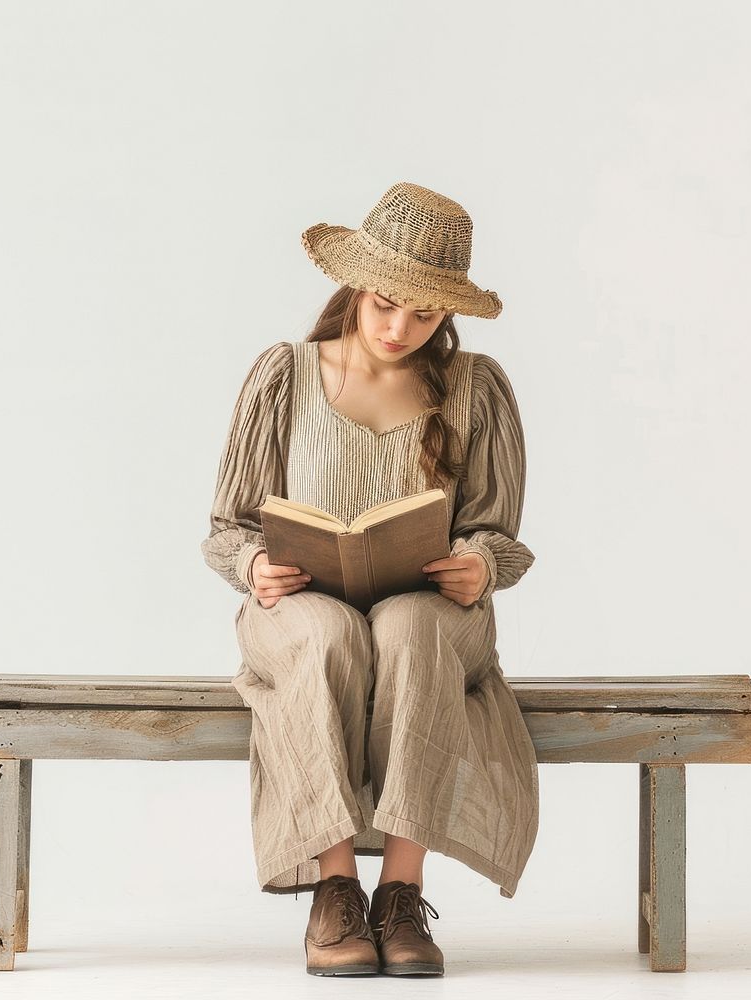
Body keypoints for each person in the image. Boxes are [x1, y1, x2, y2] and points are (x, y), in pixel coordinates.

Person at [201, 181, 540, 977]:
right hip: (298, 605)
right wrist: (254, 564)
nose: (399, 328)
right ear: (354, 285)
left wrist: (478, 567)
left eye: (425, 314)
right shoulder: (284, 376)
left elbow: (497, 530)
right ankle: (335, 890)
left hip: (431, 608)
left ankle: (400, 893)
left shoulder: (473, 389)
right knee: (326, 633)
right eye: (386, 303)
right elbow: (228, 528)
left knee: (407, 629)